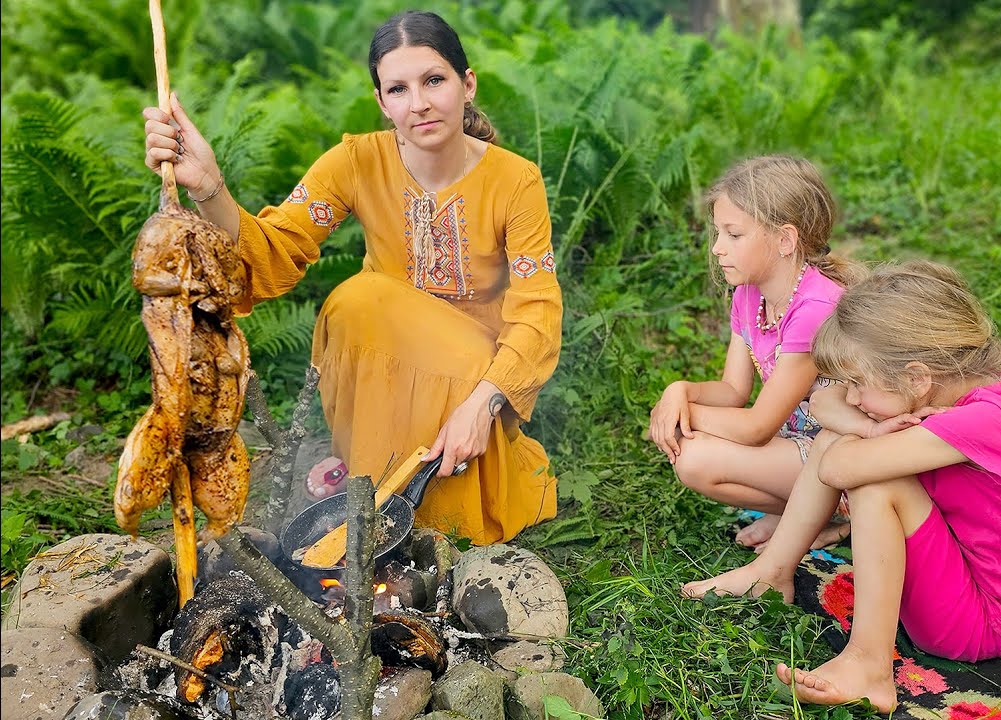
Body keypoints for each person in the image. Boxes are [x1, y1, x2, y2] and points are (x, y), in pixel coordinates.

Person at [142, 11, 561, 545]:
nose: (420, 103)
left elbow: (537, 311)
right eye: (399, 89)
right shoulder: (356, 162)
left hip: (477, 380)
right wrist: (208, 186)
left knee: (365, 298)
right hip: (386, 356)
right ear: (383, 103)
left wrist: (483, 404)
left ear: (467, 83)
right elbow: (272, 253)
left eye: (434, 80)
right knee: (356, 303)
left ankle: (436, 510)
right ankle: (370, 487)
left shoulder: (515, 180)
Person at [681, 261, 1001, 712]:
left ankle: (868, 665)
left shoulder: (991, 421)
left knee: (875, 481)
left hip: (981, 623)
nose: (850, 394)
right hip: (960, 575)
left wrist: (856, 437)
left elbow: (838, 469)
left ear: (917, 378)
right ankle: (771, 573)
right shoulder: (963, 388)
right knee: (850, 441)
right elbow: (822, 398)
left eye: (859, 383)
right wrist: (867, 428)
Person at [648, 156, 863, 550]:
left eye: (733, 234)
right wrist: (679, 391)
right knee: (693, 455)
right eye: (717, 233)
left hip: (842, 452)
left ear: (784, 239)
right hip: (797, 442)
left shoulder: (815, 309)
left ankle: (831, 517)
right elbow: (733, 391)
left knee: (694, 459)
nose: (717, 248)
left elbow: (756, 427)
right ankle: (799, 513)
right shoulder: (749, 294)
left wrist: (685, 416)